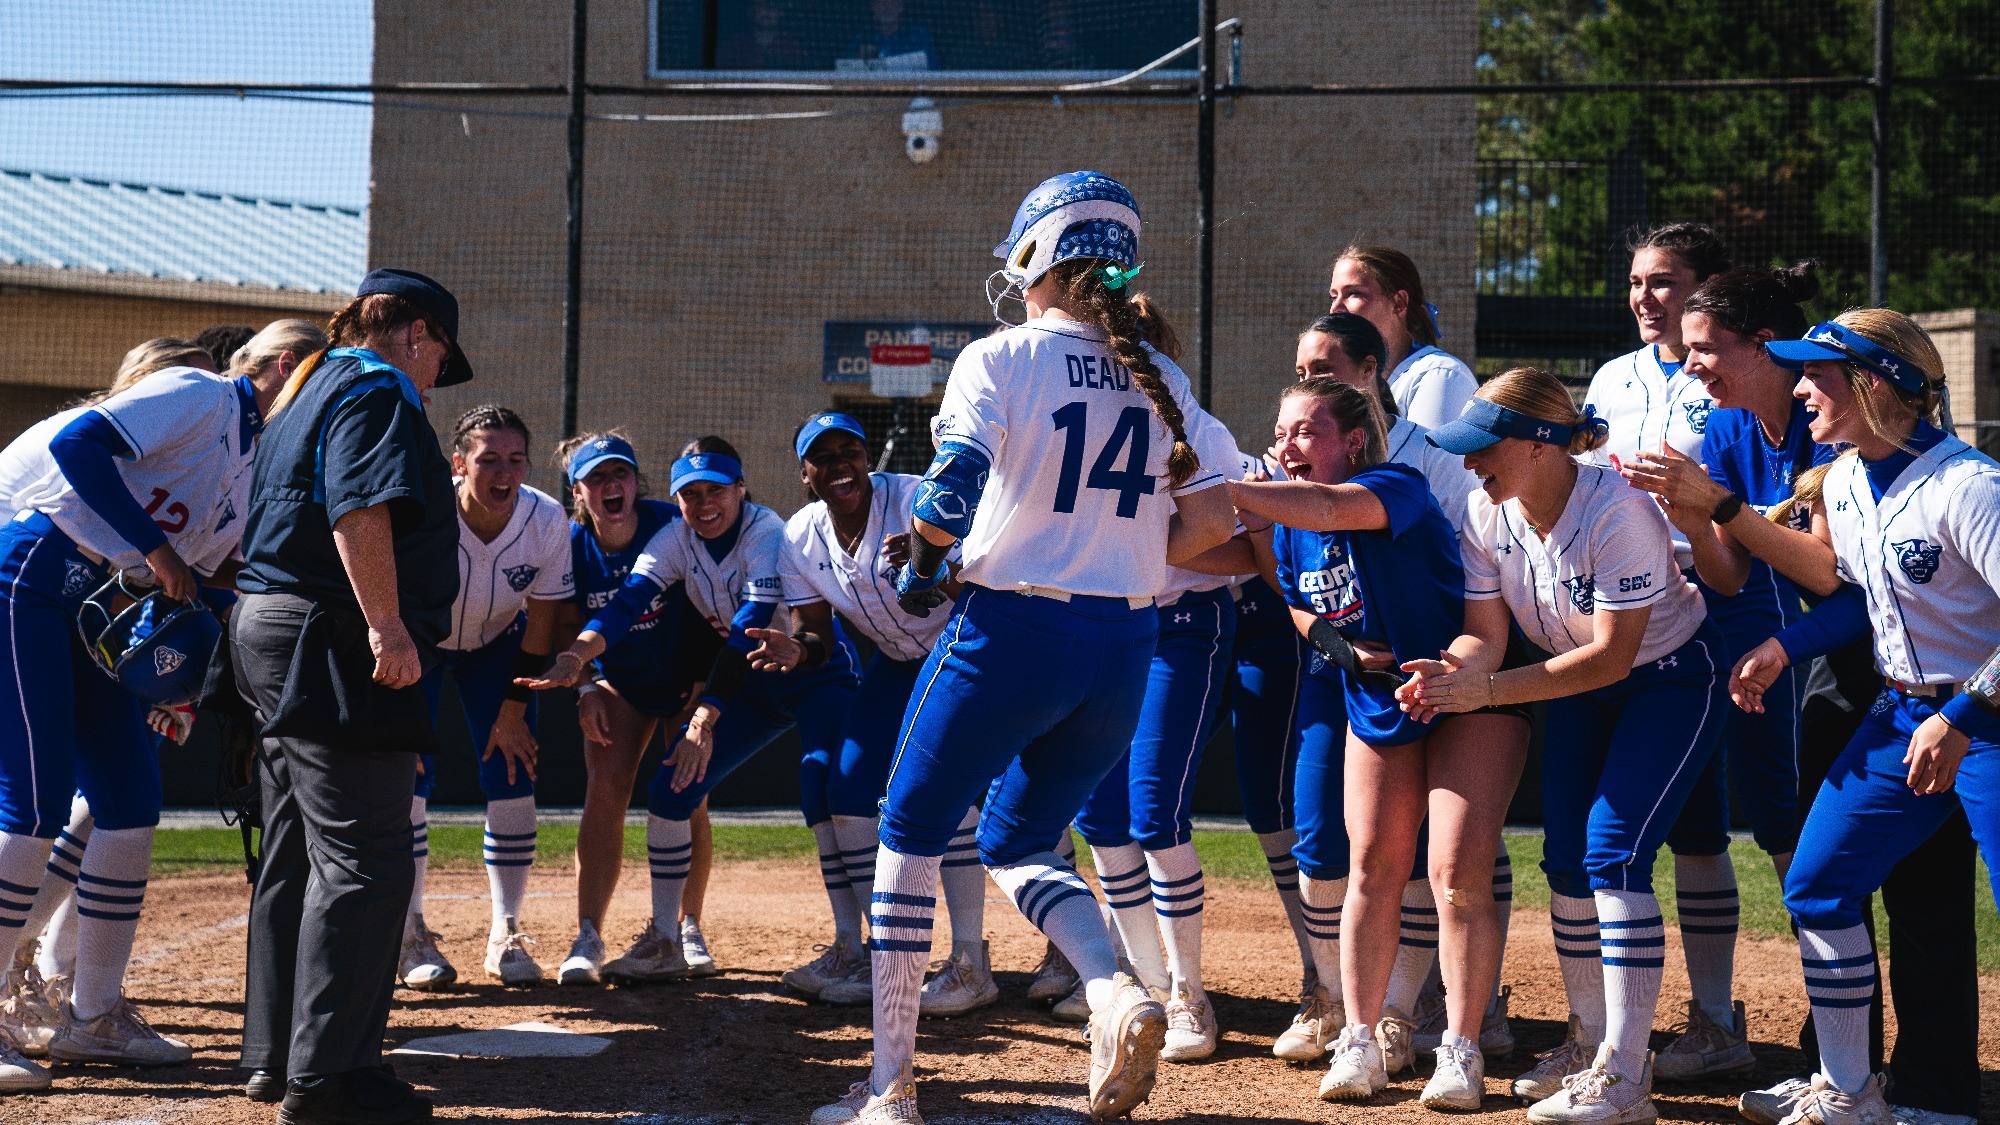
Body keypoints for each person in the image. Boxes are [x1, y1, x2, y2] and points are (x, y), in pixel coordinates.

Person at [810, 170, 1236, 1124]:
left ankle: (889, 1087)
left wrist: (923, 564)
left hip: (1015, 629)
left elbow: (950, 486)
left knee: (907, 836)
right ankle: (1112, 986)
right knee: (1018, 837)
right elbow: (1212, 520)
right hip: (1126, 637)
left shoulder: (1001, 357)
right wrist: (1112, 551)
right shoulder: (1162, 374)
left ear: (1041, 253)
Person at [1402, 367, 1728, 1125]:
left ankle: (1625, 1073)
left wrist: (1485, 692)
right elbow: (1485, 638)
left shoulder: (1618, 510)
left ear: (1542, 444)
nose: (1470, 460)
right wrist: (1450, 673)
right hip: (1573, 683)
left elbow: (1614, 656)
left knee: (1613, 852)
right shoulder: (1490, 514)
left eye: (1485, 445)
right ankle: (1589, 1042)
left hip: (1669, 680)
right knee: (1566, 857)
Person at [0, 319, 305, 1087]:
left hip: (103, 605)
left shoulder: (254, 458)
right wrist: (161, 550)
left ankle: (91, 1012)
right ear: (283, 367)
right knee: (33, 800)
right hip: (35, 573)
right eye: (317, 380)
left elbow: (205, 573)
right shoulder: (203, 393)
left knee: (132, 799)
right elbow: (79, 446)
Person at [1217, 378, 1527, 1109]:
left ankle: (1459, 1047)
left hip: (1465, 684)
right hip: (1379, 696)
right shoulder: (1289, 519)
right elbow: (1295, 595)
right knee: (1373, 865)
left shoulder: (1396, 482)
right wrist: (1335, 644)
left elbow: (1331, 507)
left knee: (1453, 873)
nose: (1288, 445)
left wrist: (1228, 489)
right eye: (1282, 430)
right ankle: (1358, 1037)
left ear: (1352, 440)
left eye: (1306, 431)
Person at [1726, 310, 1999, 1125]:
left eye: (1818, 373)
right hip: (1896, 717)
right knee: (1817, 886)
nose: (1801, 387)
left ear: (1875, 384)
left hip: (1984, 718)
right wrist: (1785, 642)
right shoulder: (1842, 479)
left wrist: (1959, 715)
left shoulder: (1969, 485)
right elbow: (1862, 607)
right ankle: (1850, 1091)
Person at [231, 268, 469, 1123]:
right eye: (442, 350)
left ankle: (276, 1056)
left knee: (298, 847)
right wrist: (388, 626)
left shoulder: (306, 384)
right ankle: (331, 1076)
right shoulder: (379, 386)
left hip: (271, 624)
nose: (439, 372)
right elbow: (358, 507)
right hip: (328, 634)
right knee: (369, 859)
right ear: (412, 333)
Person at [523, 437, 860, 984]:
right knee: (672, 791)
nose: (704, 504)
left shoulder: (766, 532)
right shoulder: (675, 537)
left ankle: (857, 948)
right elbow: (629, 601)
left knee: (828, 793)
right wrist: (578, 657)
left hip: (811, 674)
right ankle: (664, 941)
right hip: (750, 680)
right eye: (691, 493)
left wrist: (704, 717)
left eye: (717, 491)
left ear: (741, 489)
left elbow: (750, 620)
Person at [1616, 262, 1831, 1079]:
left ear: (1762, 343)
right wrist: (1690, 512)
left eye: (1705, 346)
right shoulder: (1736, 427)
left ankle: (1841, 1030)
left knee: (1796, 838)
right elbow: (1730, 570)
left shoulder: (1824, 411)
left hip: (1819, 655)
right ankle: (1754, 1028)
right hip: (1744, 639)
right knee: (1728, 832)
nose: (1691, 362)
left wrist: (1717, 505)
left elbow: (1819, 573)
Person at [1579, 221, 1759, 1070]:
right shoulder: (1612, 377)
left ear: (1706, 288)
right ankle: (1700, 1024)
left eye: (1665, 281)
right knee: (1686, 817)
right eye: (1638, 281)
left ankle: (1720, 1018)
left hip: (1721, 592)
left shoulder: (1720, 377)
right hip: (1625, 601)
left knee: (1726, 816)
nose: (1647, 298)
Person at [750, 412, 994, 1015]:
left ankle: (972, 960)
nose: (840, 465)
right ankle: (874, 956)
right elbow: (819, 639)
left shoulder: (918, 497)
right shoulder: (800, 536)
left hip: (966, 649)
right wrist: (795, 649)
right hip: (895, 662)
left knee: (968, 793)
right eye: (824, 457)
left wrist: (929, 561)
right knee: (849, 791)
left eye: (850, 452)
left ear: (867, 459)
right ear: (805, 474)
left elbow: (990, 586)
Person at [1073, 324, 1245, 1060]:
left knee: (1153, 809)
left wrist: (1138, 547)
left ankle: (1189, 995)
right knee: (1100, 815)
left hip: (1183, 622)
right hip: (1109, 622)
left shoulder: (1196, 428)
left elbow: (1244, 538)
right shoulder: (1073, 421)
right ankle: (1145, 983)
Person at [392, 406, 572, 991]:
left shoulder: (546, 518)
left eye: (515, 460)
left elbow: (542, 622)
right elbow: (392, 603)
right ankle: (410, 931)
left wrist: (514, 707)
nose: (503, 472)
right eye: (488, 459)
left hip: (500, 646)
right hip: (421, 643)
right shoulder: (423, 511)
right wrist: (405, 706)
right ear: (458, 462)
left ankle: (506, 933)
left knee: (513, 770)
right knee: (409, 774)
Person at [541, 433, 714, 987]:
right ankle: (588, 934)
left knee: (688, 793)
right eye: (598, 478)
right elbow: (568, 627)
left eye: (622, 475)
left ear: (637, 483)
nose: (612, 486)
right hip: (621, 682)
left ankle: (687, 926)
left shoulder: (671, 524)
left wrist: (703, 685)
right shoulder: (570, 546)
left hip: (683, 676)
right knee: (604, 786)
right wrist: (585, 688)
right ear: (579, 491)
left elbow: (710, 599)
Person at [1327, 248, 1477, 431]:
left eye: (1354, 293)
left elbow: (1428, 459)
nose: (1335, 308)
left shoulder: (1439, 375)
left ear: (1399, 302)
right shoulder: (1350, 379)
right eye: (1334, 296)